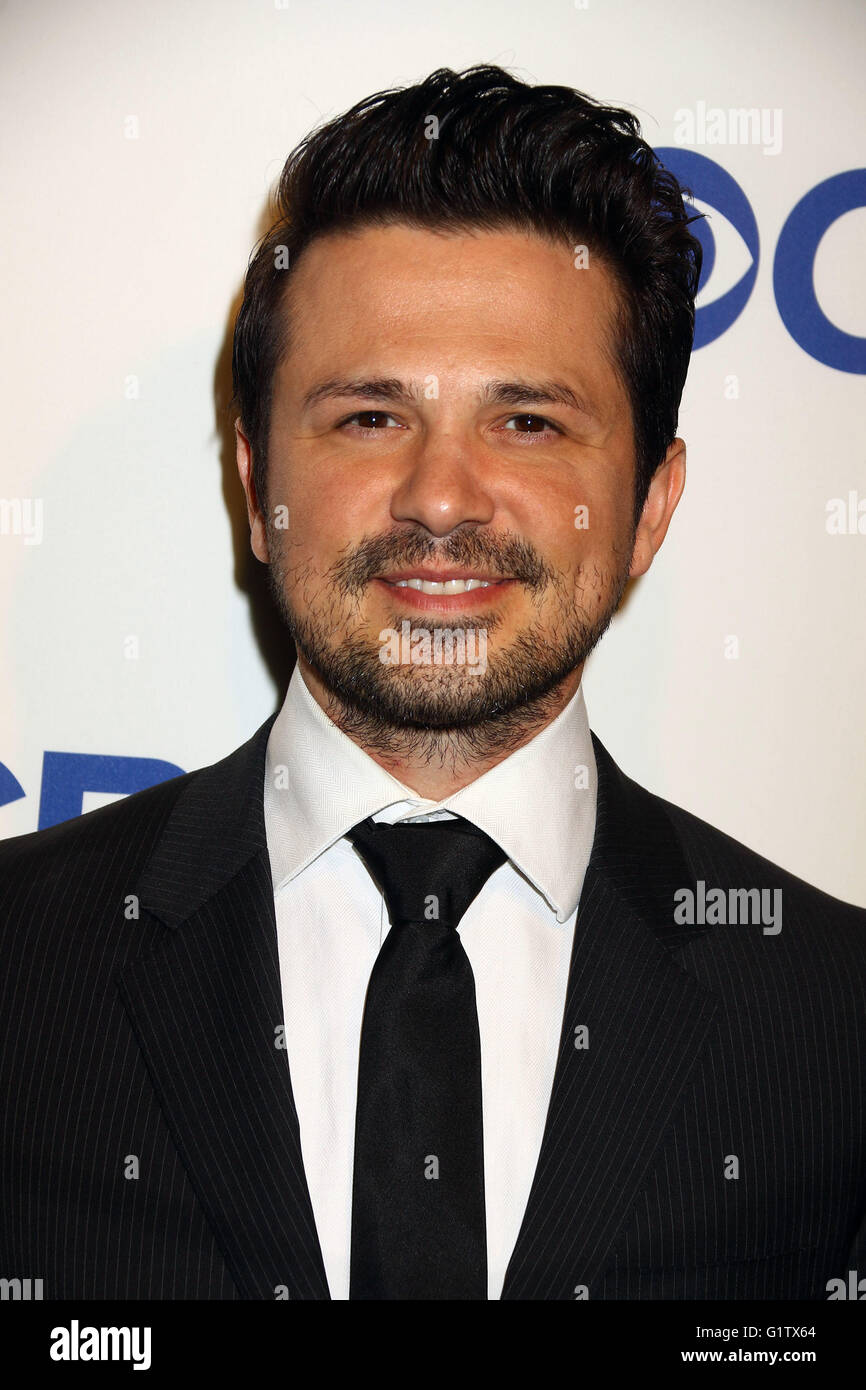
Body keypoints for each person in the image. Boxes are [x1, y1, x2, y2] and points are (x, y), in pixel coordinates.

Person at [1, 66, 864, 1302]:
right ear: (257, 486)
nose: (441, 496)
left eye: (528, 422)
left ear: (647, 508)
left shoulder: (832, 1022)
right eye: (366, 417)